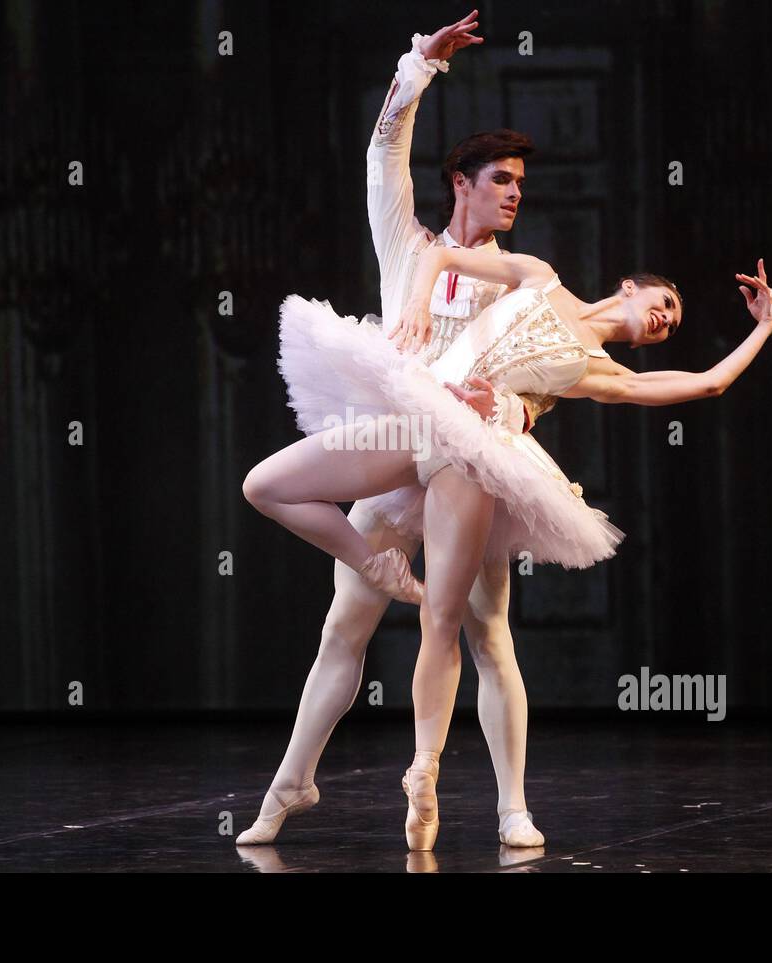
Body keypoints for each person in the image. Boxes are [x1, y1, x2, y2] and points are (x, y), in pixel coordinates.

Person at [245, 238, 772, 849]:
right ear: (631, 286)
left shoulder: (604, 372)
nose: (665, 319)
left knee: (455, 624)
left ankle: (428, 774)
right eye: (665, 302)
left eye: (671, 326)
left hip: (470, 456)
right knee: (265, 485)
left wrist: (763, 327)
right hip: (419, 412)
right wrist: (418, 305)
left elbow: (708, 384)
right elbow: (439, 257)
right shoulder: (539, 275)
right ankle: (376, 567)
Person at [236, 10, 557, 849]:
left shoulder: (520, 280)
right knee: (344, 626)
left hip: (470, 463)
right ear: (464, 183)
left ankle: (511, 805)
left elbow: (553, 373)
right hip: (396, 451)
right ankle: (287, 787)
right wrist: (418, 68)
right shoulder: (410, 247)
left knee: (488, 633)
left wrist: (521, 409)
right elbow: (384, 156)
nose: (515, 193)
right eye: (502, 180)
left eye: (521, 183)